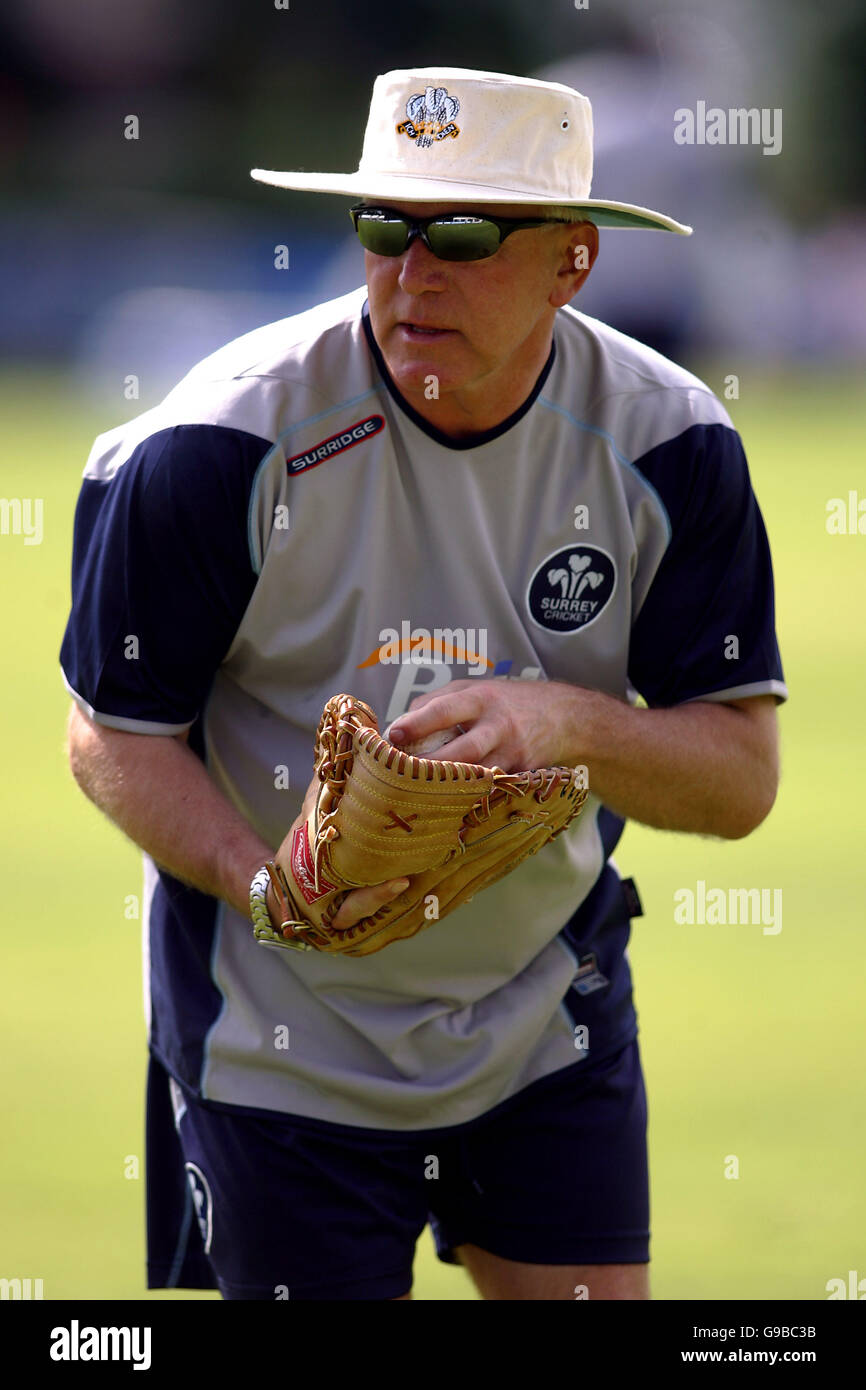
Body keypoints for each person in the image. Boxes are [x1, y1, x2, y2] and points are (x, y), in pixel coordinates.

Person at [60, 66, 786, 1302]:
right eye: (383, 228)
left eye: (458, 233)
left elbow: (737, 782)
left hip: (542, 1020)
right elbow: (111, 735)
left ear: (572, 262)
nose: (412, 270)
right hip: (275, 1049)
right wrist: (267, 883)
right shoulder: (213, 444)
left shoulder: (670, 444)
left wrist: (562, 722)